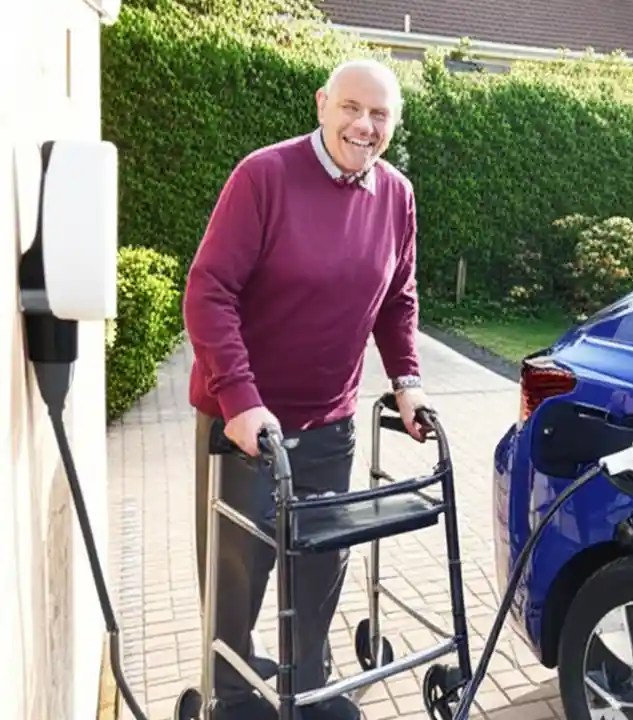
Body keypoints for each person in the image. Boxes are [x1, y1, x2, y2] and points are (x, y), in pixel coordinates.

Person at [183, 58, 430, 720]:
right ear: (323, 104)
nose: (364, 125)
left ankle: (310, 692)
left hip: (329, 424)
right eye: (352, 107)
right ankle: (232, 697)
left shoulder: (396, 195)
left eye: (380, 115)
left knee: (320, 563)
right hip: (245, 427)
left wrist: (406, 384)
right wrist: (238, 398)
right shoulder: (265, 175)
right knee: (240, 570)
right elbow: (208, 290)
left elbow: (396, 299)